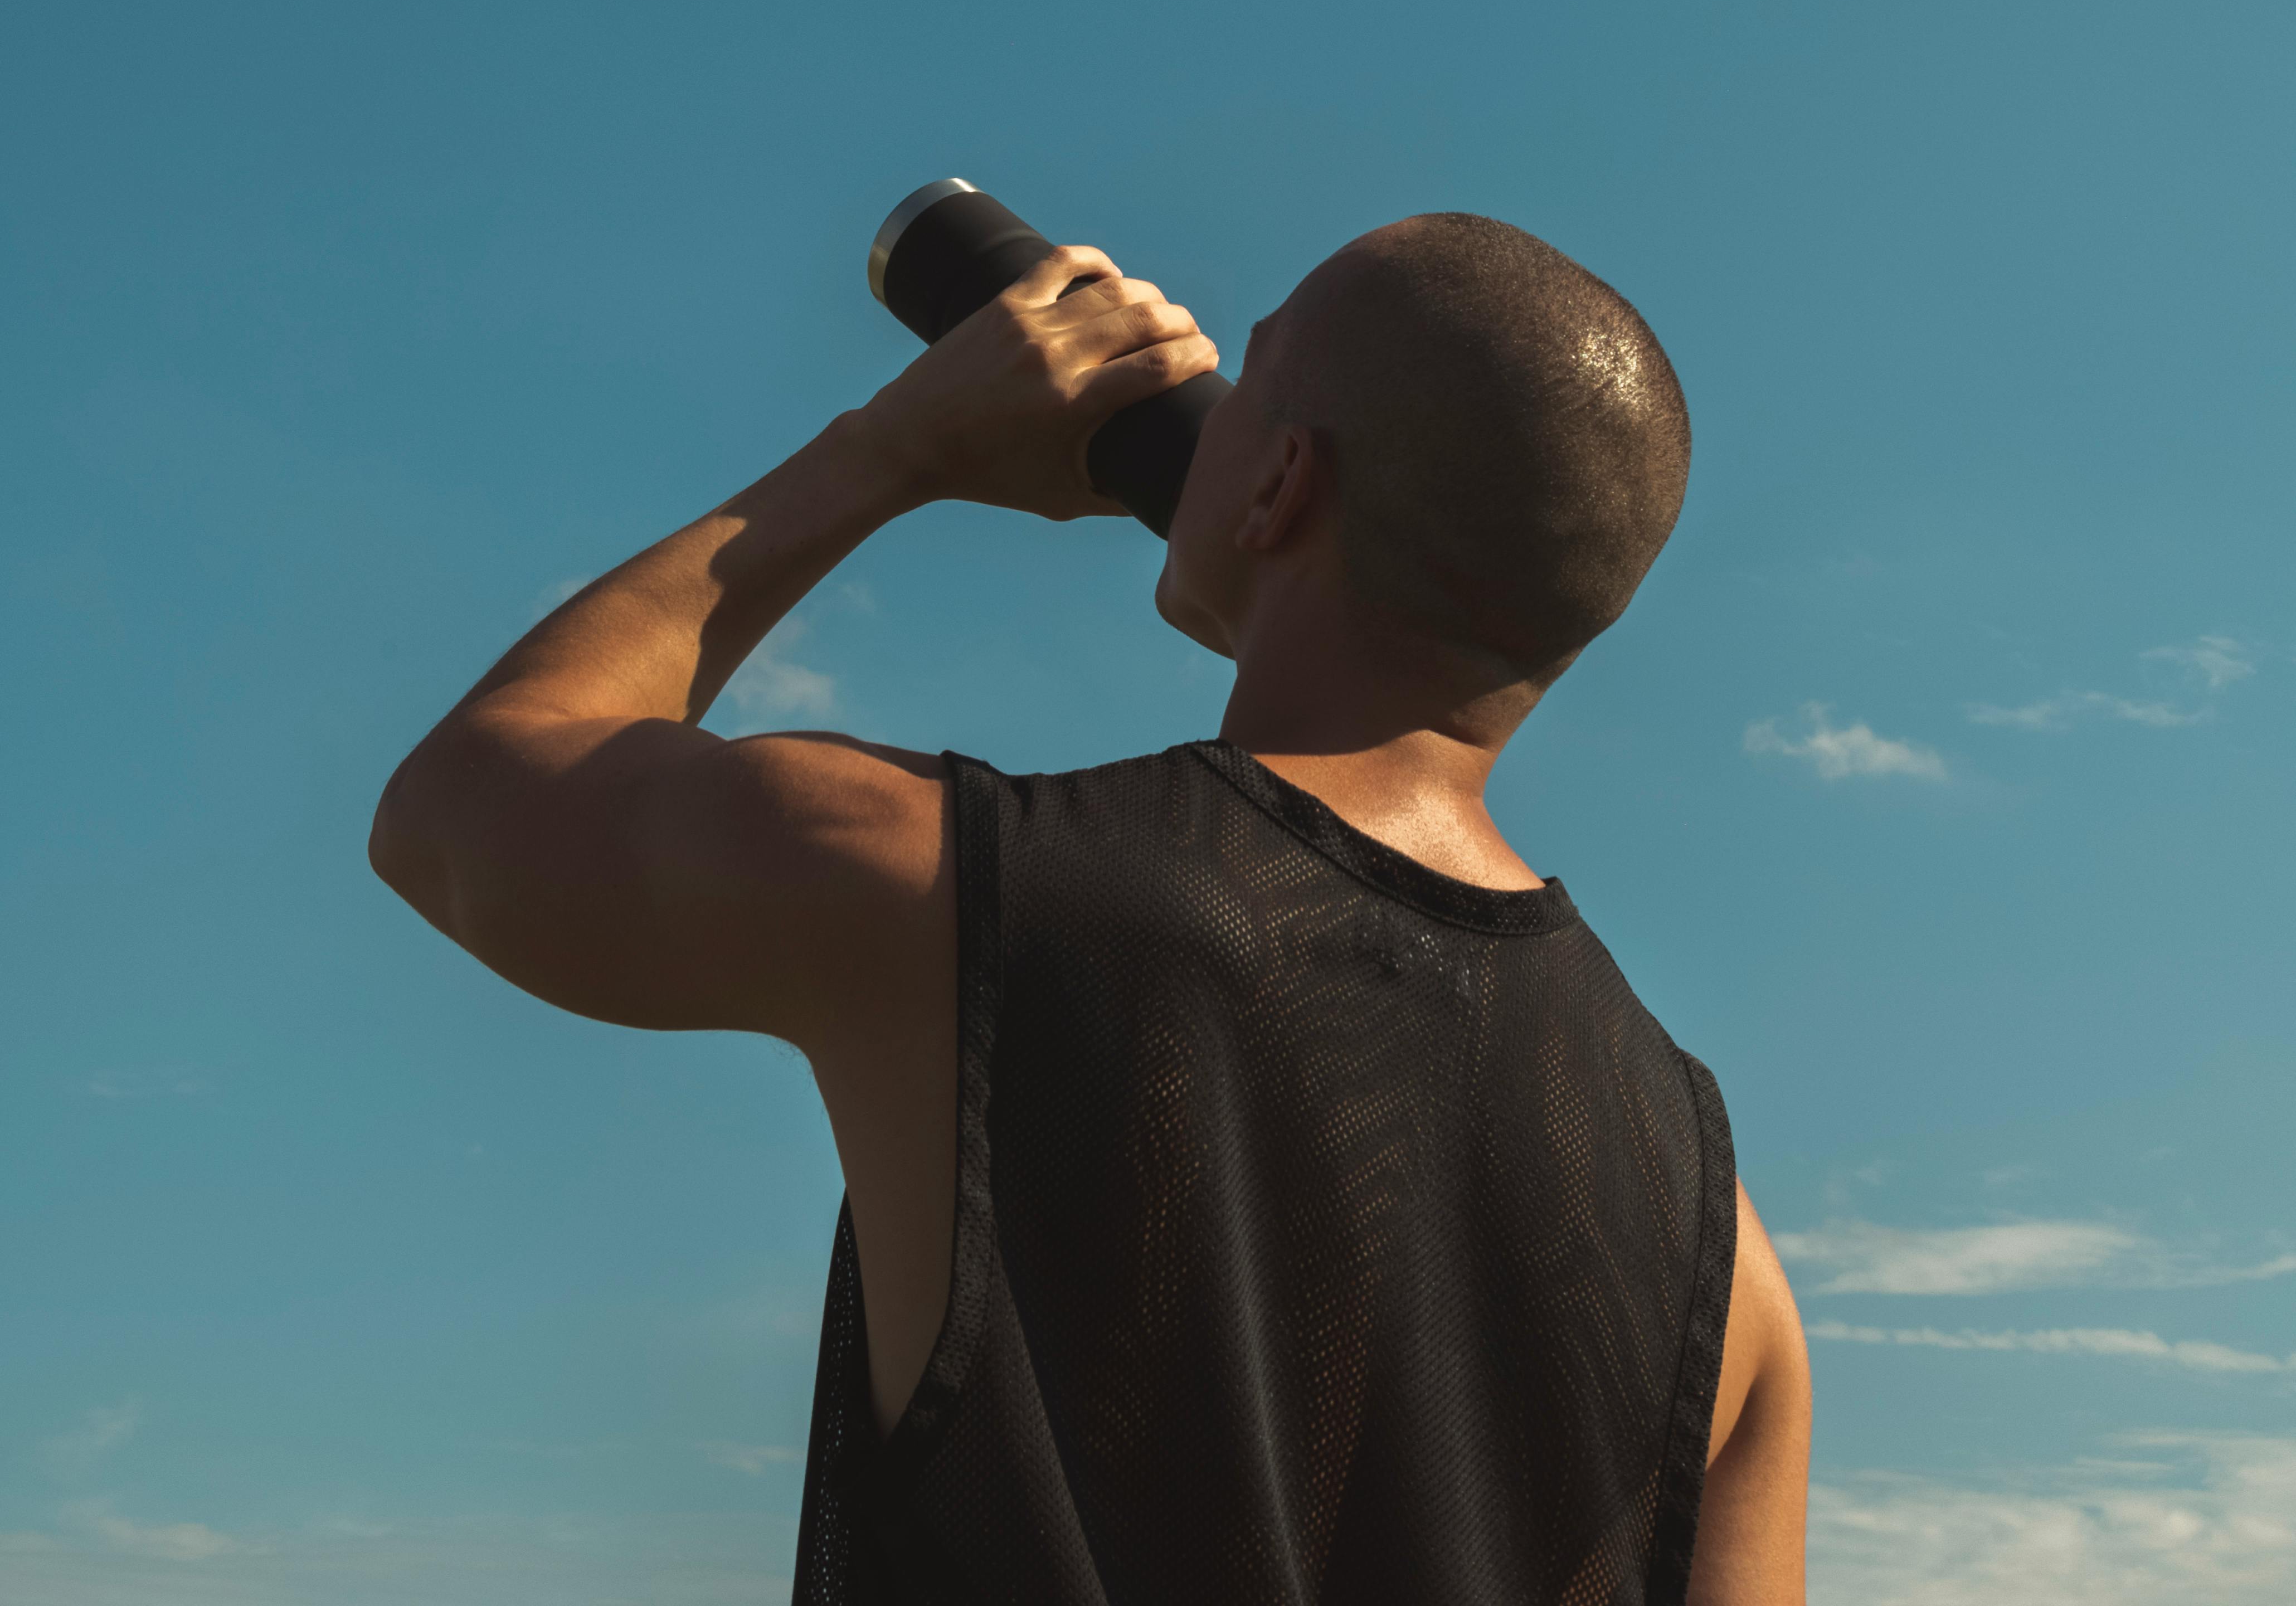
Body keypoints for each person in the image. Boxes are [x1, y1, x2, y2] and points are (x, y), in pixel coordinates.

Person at [371, 215, 1811, 1603]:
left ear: (1276, 488)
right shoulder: (1727, 1263)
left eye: (1244, 375)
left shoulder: (966, 890)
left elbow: (455, 813)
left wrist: (897, 444)